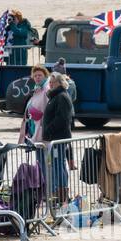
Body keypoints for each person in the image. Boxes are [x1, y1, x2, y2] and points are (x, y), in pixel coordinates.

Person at [41, 73, 75, 204]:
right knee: (56, 165)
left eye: (53, 82)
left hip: (59, 138)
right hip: (54, 138)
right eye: (50, 82)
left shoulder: (62, 97)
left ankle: (62, 195)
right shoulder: (55, 96)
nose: (51, 85)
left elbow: (62, 119)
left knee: (58, 165)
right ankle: (58, 193)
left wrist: (49, 129)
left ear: (60, 83)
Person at [17, 66, 49, 143]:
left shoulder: (47, 90)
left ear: (45, 76)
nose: (37, 77)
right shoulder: (36, 89)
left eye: (40, 75)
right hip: (34, 126)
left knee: (43, 151)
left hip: (43, 127)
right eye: (35, 76)